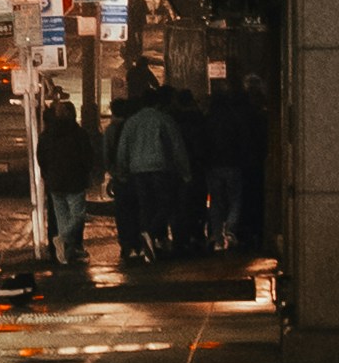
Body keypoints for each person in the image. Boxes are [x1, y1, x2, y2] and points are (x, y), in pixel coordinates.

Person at [108, 76, 191, 266]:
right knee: (166, 203)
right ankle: (150, 233)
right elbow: (177, 146)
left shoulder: (132, 122)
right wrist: (185, 172)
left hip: (137, 170)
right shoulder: (163, 119)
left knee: (146, 205)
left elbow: (123, 148)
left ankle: (147, 240)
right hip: (160, 168)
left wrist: (121, 170)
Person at [37, 87, 95, 270]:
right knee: (78, 214)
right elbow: (87, 156)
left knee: (61, 217)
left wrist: (47, 174)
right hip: (75, 180)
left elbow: (41, 158)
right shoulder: (78, 133)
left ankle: (64, 252)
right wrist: (88, 173)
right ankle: (63, 240)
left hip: (55, 182)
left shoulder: (46, 135)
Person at [202, 76, 256, 253]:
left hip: (213, 165)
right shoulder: (235, 118)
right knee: (235, 200)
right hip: (233, 163)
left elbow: (203, 143)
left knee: (216, 201)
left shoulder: (208, 119)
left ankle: (217, 236)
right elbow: (244, 140)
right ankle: (230, 231)